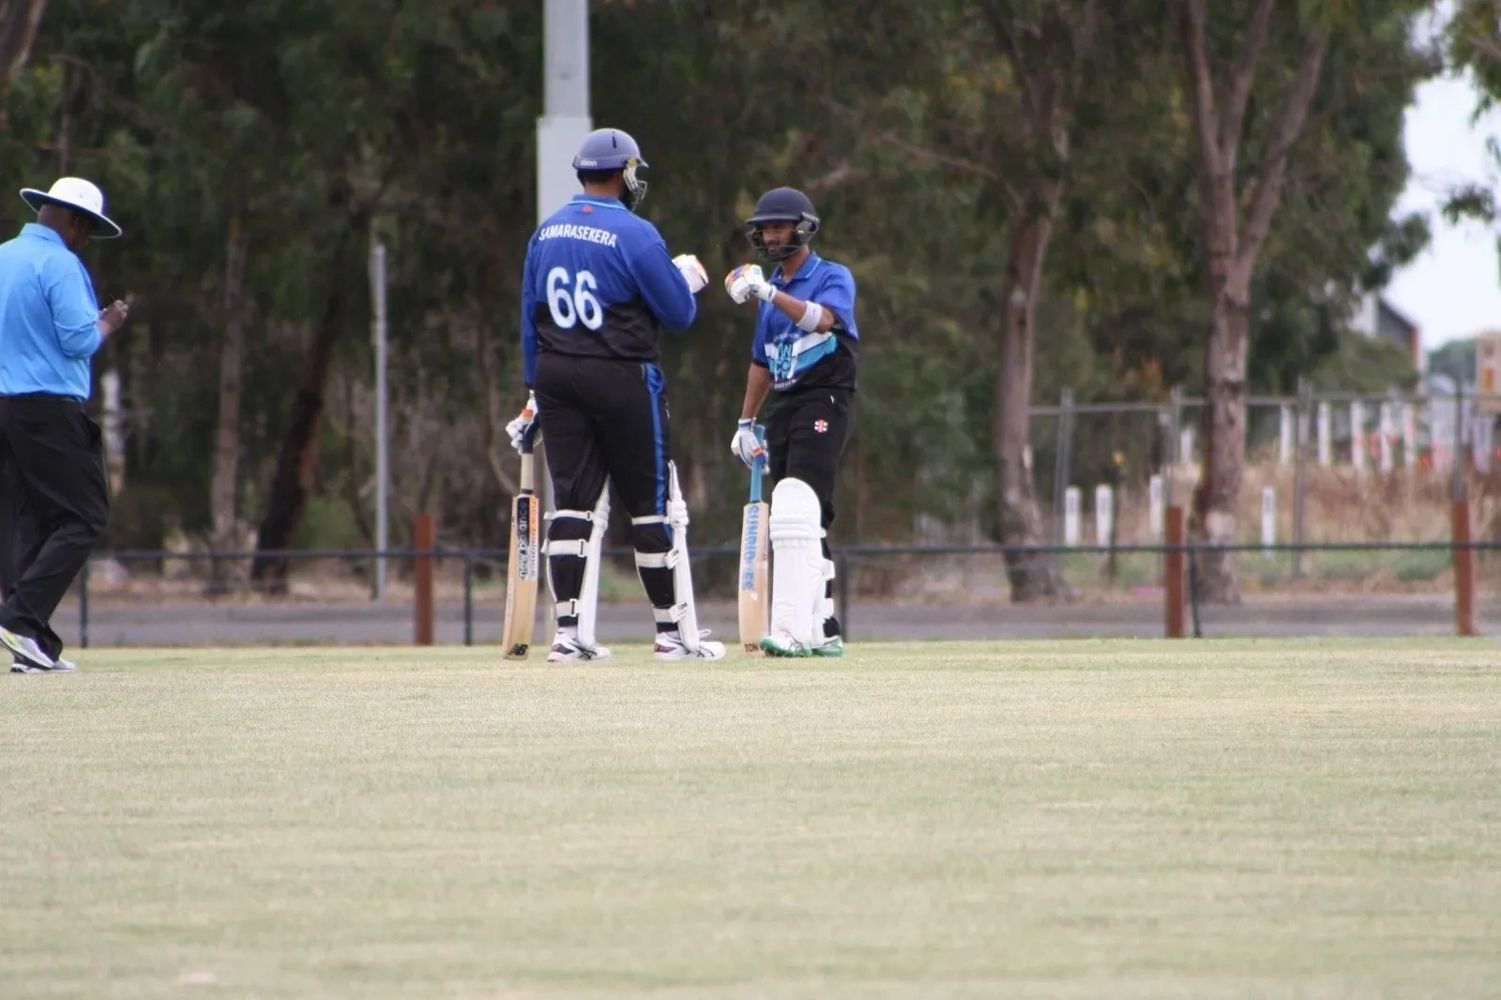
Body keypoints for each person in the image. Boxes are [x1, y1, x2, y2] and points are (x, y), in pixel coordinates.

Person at [507, 127, 725, 662]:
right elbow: (679, 314)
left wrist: (535, 389)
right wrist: (686, 280)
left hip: (556, 375)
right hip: (623, 376)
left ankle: (565, 634)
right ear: (625, 173)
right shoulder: (636, 234)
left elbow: (529, 319)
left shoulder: (546, 231)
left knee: (572, 505)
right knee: (648, 507)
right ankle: (671, 634)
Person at [0, 177, 129, 674]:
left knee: (29, 521)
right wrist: (109, 322)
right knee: (86, 514)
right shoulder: (61, 263)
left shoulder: (5, 255)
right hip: (49, 408)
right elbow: (78, 341)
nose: (85, 240)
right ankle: (18, 617)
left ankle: (28, 644)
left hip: (6, 407)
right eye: (87, 230)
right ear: (75, 223)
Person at [724, 187, 858, 657]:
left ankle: (794, 629)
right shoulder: (770, 294)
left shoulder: (831, 276)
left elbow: (822, 321)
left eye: (779, 226)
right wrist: (744, 423)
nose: (770, 234)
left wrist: (769, 292)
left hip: (824, 397)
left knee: (801, 503)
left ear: (803, 228)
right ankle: (822, 625)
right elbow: (761, 363)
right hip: (783, 402)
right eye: (765, 227)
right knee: (797, 515)